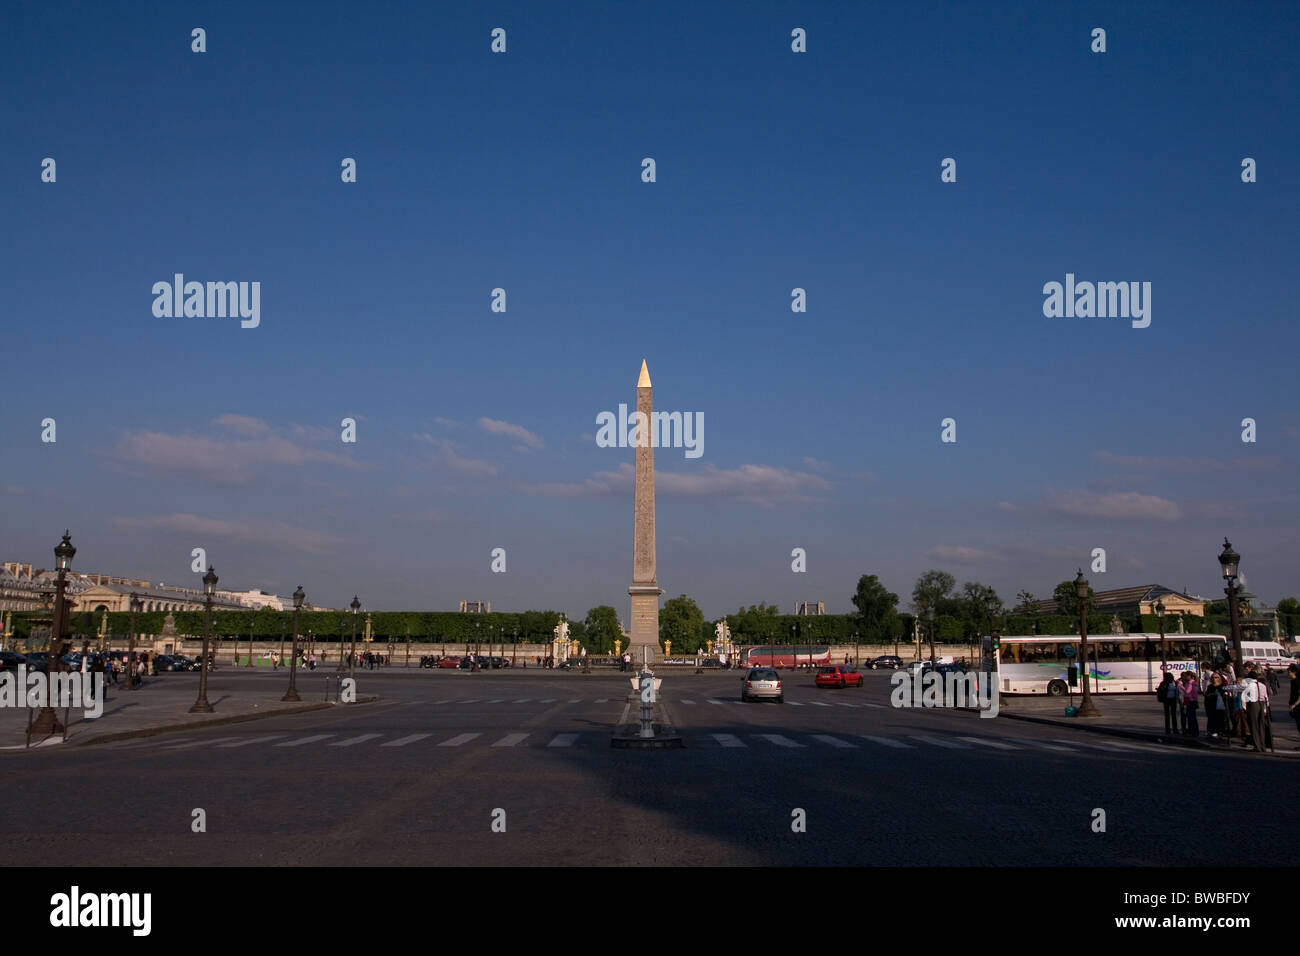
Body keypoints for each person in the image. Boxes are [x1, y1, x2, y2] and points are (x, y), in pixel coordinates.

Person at [1203, 672, 1230, 738]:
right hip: (1211, 705)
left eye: (1216, 677)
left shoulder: (1223, 687)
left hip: (1221, 706)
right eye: (1213, 677)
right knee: (1212, 718)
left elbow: (1227, 696)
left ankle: (1221, 731)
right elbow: (1207, 696)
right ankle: (1212, 731)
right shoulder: (1210, 687)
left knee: (1221, 718)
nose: (1214, 679)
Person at [1176, 671, 1199, 737]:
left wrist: (1180, 685)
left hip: (1192, 701)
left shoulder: (1191, 683)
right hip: (1189, 701)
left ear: (1190, 676)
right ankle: (1191, 731)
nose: (1185, 677)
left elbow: (1187, 691)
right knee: (1190, 717)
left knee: (1192, 717)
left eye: (1186, 676)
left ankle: (1194, 732)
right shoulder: (1189, 682)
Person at [1289, 663, 1300, 746]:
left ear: (1293, 672)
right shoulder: (1293, 681)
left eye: (1289, 672)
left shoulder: (1297, 682)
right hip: (1295, 706)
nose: (1288, 673)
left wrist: (1294, 704)